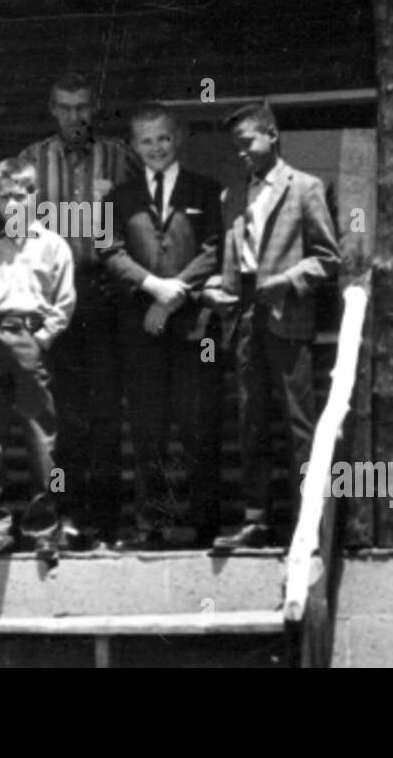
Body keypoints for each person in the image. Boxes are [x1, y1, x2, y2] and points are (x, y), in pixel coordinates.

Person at [203, 103, 340, 550]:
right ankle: (256, 521)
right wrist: (217, 291)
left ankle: (309, 524)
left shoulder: (305, 188)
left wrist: (286, 282)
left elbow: (328, 259)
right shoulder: (233, 196)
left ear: (272, 136)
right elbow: (231, 257)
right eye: (236, 147)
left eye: (248, 143)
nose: (241, 153)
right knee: (251, 421)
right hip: (244, 317)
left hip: (286, 317)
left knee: (298, 422)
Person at [17, 72, 140, 549]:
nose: (75, 117)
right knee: (63, 414)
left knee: (107, 411)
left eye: (83, 107)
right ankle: (65, 516)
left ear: (95, 108)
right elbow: (14, 231)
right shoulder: (31, 161)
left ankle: (106, 522)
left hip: (107, 293)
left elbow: (139, 225)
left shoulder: (120, 158)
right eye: (66, 107)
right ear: (52, 108)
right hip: (53, 297)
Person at [102, 106, 224, 549]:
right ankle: (149, 526)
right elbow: (110, 252)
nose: (155, 148)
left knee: (197, 426)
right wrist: (153, 286)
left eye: (163, 139)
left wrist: (176, 295)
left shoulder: (207, 190)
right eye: (146, 141)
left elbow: (214, 250)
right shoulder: (118, 197)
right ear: (134, 147)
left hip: (195, 330)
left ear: (178, 140)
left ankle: (202, 526)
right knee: (147, 429)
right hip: (142, 331)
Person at [0, 158, 76, 562]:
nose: (14, 203)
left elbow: (64, 301)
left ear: (35, 197)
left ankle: (43, 527)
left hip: (33, 338)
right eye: (5, 197)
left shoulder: (54, 246)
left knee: (41, 434)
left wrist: (44, 338)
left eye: (21, 195)